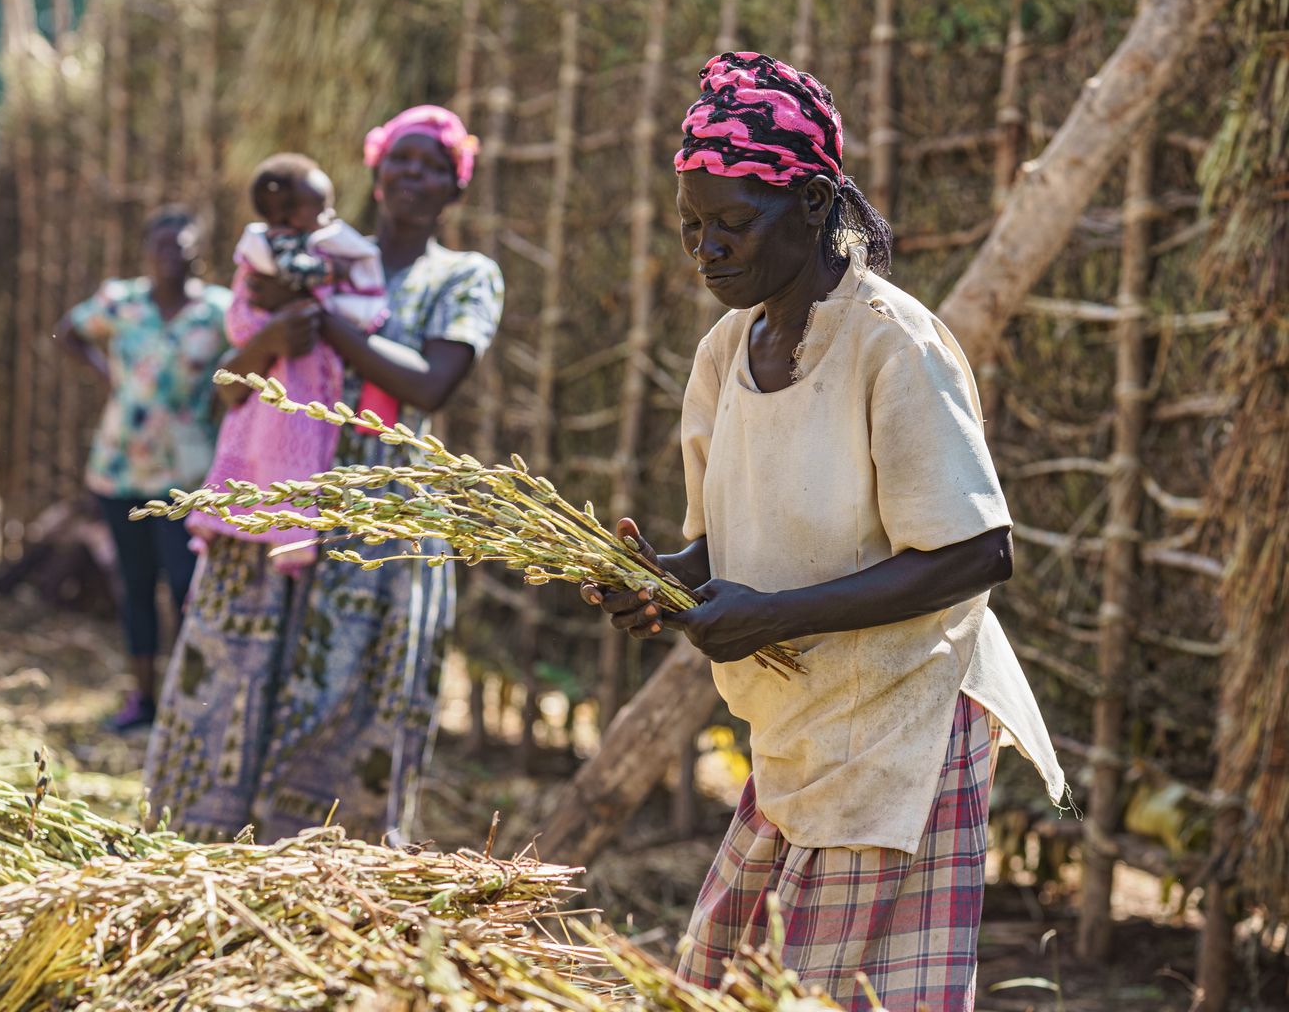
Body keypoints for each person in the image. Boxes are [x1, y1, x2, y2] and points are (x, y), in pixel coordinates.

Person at [583, 53, 1065, 1010]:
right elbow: (731, 542)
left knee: (820, 991)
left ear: (810, 205)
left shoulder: (894, 344)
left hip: (904, 719)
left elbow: (977, 551)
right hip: (807, 726)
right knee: (730, 974)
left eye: (731, 223)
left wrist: (774, 616)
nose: (707, 250)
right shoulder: (728, 351)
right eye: (692, 228)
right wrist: (663, 583)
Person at [144, 105, 504, 844]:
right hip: (277, 499)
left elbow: (431, 384)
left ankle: (324, 876)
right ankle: (194, 853)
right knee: (232, 675)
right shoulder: (312, 252)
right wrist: (277, 334)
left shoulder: (464, 277)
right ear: (373, 175)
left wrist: (325, 317)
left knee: (356, 702)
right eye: (401, 160)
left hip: (383, 523)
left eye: (434, 165)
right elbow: (231, 382)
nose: (414, 175)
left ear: (456, 187)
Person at [59, 206, 231, 732]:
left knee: (184, 583)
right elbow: (69, 331)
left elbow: (251, 361)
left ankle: (187, 702)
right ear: (146, 251)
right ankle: (142, 698)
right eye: (160, 247)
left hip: (186, 472)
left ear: (196, 253)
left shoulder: (217, 311)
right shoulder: (122, 302)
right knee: (136, 584)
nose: (169, 257)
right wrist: (110, 376)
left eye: (180, 248)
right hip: (119, 466)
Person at [187, 153, 398, 569]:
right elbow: (304, 282)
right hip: (283, 368)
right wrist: (330, 280)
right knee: (281, 439)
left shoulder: (306, 244)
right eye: (321, 209)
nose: (331, 217)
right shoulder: (281, 249)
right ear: (289, 217)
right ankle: (285, 531)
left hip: (295, 367)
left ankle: (278, 529)